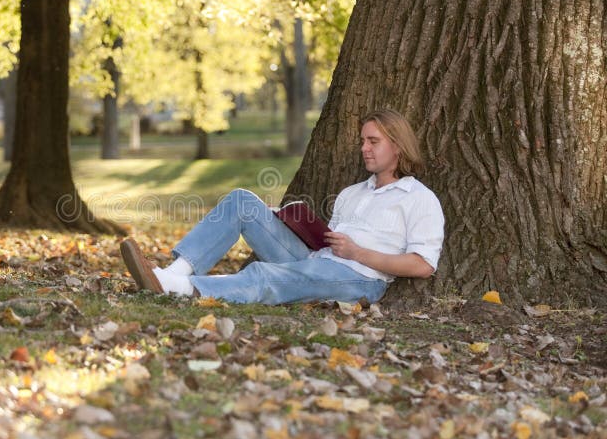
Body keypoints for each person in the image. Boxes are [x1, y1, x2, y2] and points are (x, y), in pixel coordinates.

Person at [120, 109, 444, 305]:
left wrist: (358, 253)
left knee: (264, 274)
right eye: (362, 141)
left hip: (360, 279)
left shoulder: (418, 198)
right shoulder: (353, 192)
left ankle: (176, 287)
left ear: (398, 146)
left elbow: (423, 265)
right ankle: (174, 271)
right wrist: (288, 224)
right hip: (318, 260)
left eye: (373, 141)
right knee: (242, 201)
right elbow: (327, 244)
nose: (364, 149)